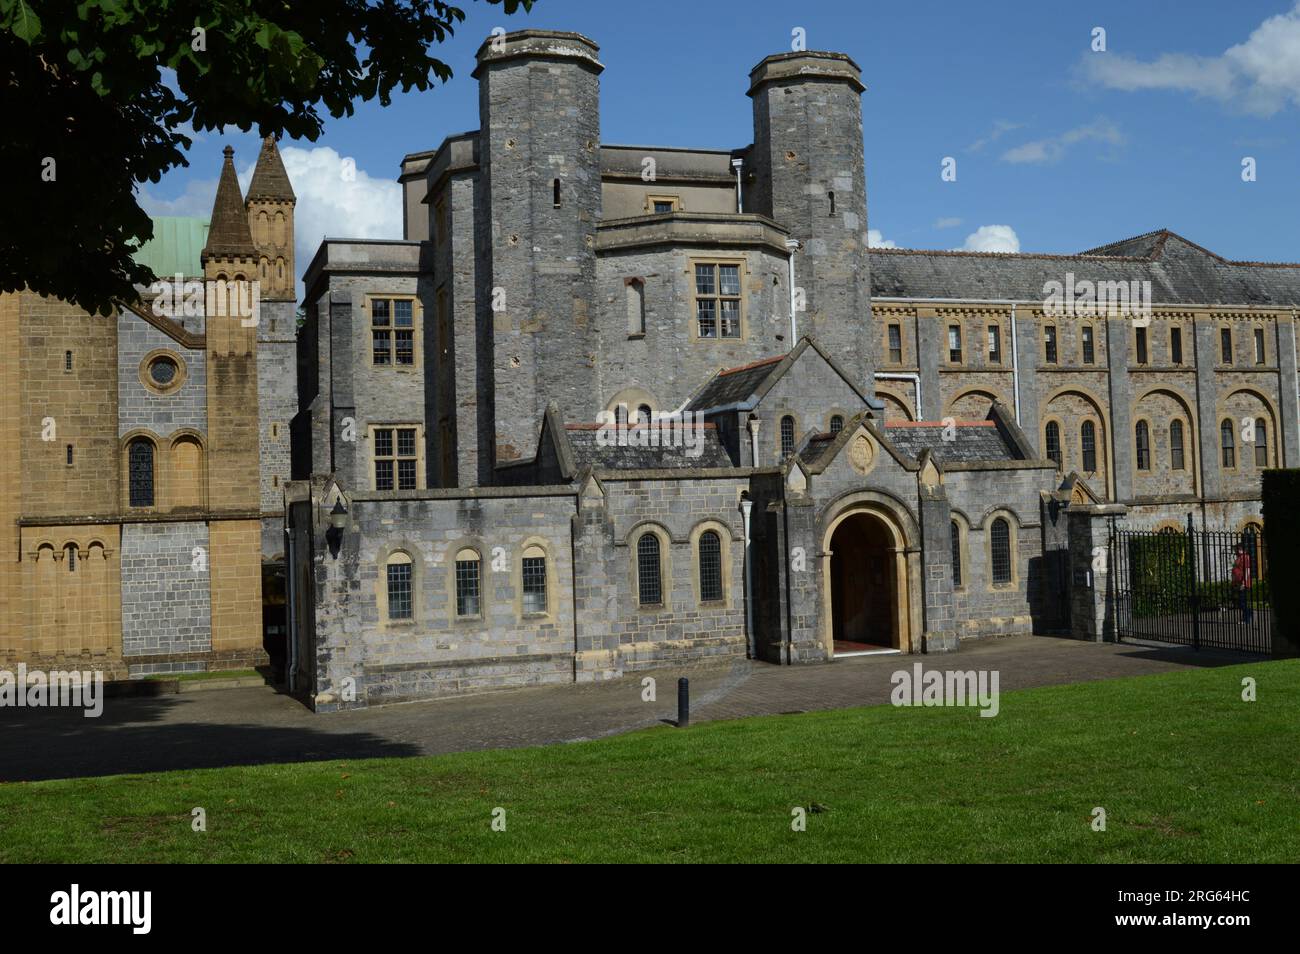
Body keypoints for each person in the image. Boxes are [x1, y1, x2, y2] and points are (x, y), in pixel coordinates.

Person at [1231, 543, 1253, 625]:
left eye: (1236, 549)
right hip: (1237, 583)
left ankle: (1246, 619)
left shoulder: (1245, 557)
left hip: (1242, 583)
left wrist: (1244, 582)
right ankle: (1249, 613)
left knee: (1242, 602)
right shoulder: (1239, 557)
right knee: (1239, 601)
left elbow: (1247, 570)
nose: (1235, 550)